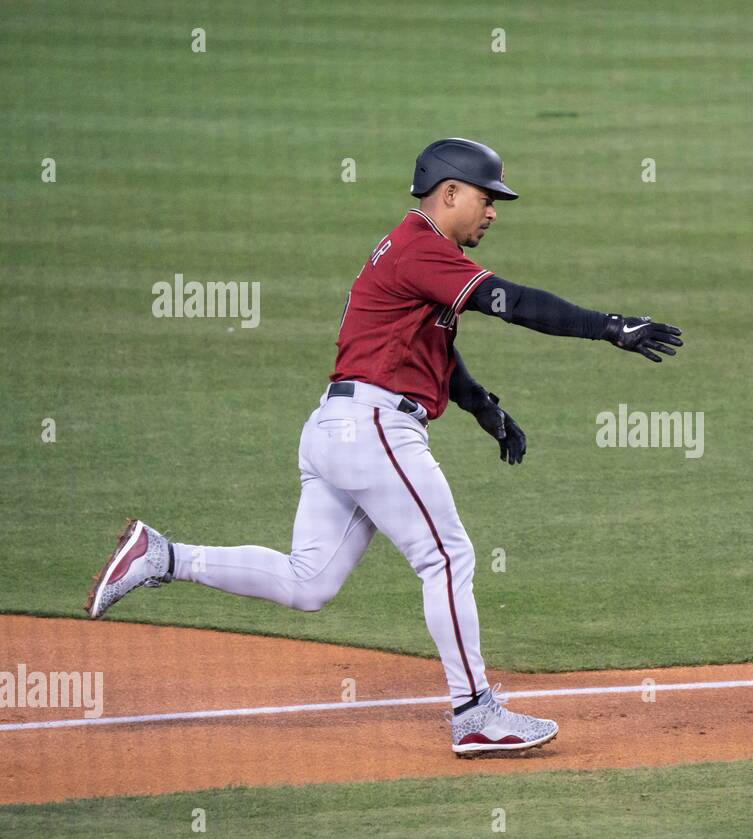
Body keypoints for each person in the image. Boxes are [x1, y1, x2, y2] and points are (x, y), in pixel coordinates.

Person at [86, 138, 684, 757]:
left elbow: (433, 351)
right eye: (487, 197)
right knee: (447, 558)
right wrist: (607, 325)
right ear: (449, 192)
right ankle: (476, 712)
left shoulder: (408, 251)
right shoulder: (422, 246)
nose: (494, 211)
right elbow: (512, 303)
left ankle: (162, 556)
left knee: (309, 582)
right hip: (373, 428)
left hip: (334, 429)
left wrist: (486, 410)